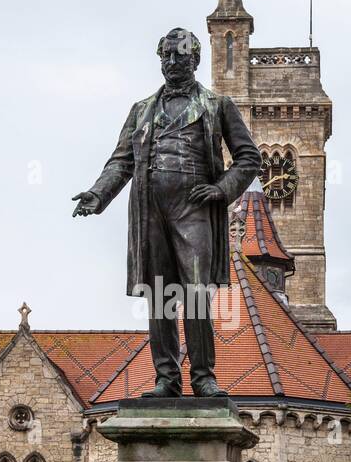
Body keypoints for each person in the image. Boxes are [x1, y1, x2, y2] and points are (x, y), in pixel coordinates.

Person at [72, 27, 260, 398]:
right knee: (159, 296)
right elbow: (121, 161)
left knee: (195, 294)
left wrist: (222, 189)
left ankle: (204, 377)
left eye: (180, 56)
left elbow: (248, 158)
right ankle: (166, 379)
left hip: (194, 208)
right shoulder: (141, 110)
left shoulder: (217, 105)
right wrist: (98, 193)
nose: (173, 63)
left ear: (195, 60)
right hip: (151, 210)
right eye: (167, 57)